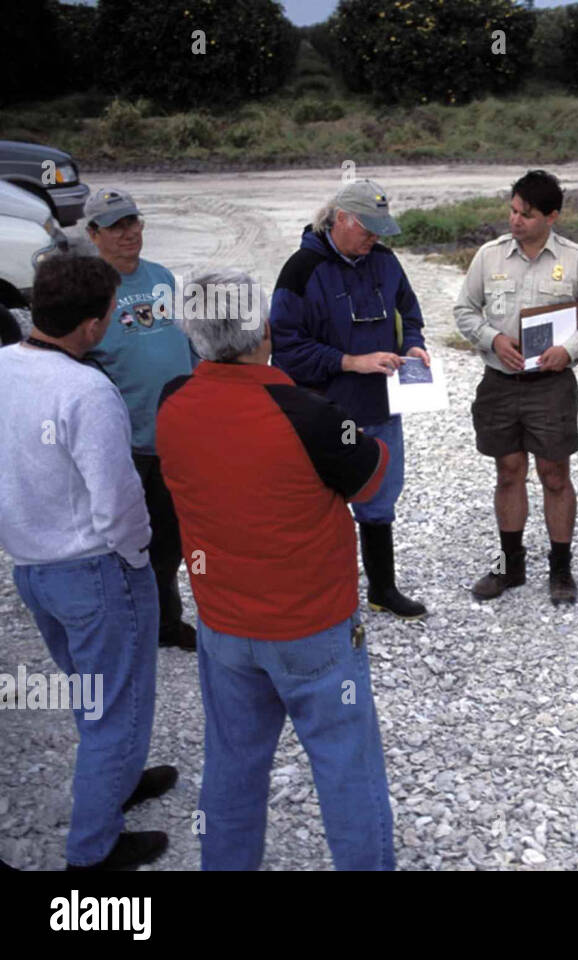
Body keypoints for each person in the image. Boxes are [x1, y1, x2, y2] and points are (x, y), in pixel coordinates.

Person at [156, 270, 395, 870]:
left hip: (224, 627)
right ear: (264, 332)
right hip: (312, 628)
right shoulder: (310, 415)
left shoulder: (172, 403)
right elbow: (374, 476)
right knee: (347, 771)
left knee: (233, 767)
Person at [0, 255, 175, 871]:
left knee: (91, 694)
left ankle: (118, 784)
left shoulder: (1, 369)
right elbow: (119, 499)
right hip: (96, 570)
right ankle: (92, 854)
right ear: (96, 323)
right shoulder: (87, 390)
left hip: (33, 568)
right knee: (117, 708)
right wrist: (136, 558)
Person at [453, 170, 578, 605]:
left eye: (526, 213)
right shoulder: (489, 257)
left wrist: (570, 349)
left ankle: (561, 570)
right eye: (512, 210)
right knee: (508, 471)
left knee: (555, 475)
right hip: (499, 383)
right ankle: (511, 564)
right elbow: (464, 309)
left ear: (552, 216)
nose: (515, 220)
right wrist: (492, 338)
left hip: (551, 385)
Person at [269, 178, 429, 619]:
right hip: (325, 412)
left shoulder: (385, 261)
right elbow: (285, 348)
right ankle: (318, 598)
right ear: (341, 219)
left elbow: (410, 314)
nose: (376, 237)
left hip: (381, 406)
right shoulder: (301, 270)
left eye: (381, 228)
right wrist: (349, 362)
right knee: (318, 505)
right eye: (368, 228)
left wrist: (413, 344)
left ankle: (382, 589)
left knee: (380, 499)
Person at [83, 187, 198, 652]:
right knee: (123, 538)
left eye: (133, 221)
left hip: (175, 436)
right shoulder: (89, 288)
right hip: (125, 441)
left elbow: (187, 342)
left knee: (171, 537)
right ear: (93, 234)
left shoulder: (161, 277)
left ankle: (167, 620)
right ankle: (126, 624)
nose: (129, 232)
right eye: (115, 226)